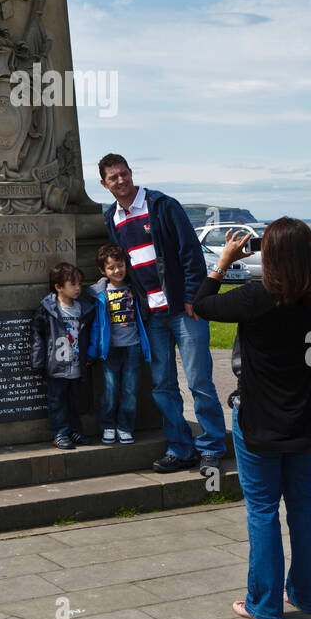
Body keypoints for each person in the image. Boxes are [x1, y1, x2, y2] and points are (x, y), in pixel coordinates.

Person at [193, 218, 311, 619]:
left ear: (269, 255)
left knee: (262, 510)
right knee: (304, 504)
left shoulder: (255, 298)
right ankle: (306, 596)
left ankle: (266, 604)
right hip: (307, 414)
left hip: (259, 415)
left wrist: (222, 262)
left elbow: (200, 305)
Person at [98, 154, 227, 475]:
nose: (121, 181)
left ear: (131, 173)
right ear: (104, 184)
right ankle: (180, 447)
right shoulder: (111, 218)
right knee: (162, 385)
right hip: (150, 316)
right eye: (113, 178)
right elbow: (122, 266)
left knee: (199, 381)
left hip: (183, 310)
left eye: (124, 174)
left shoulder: (162, 205)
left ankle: (211, 447)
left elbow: (189, 253)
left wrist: (193, 298)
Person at [88, 243, 151, 444]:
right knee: (110, 389)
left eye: (120, 265)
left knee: (130, 390)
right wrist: (93, 351)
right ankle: (108, 425)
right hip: (110, 349)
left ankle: (125, 426)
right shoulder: (100, 293)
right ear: (103, 271)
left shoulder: (134, 288)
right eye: (111, 267)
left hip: (132, 347)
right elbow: (97, 325)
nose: (117, 271)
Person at [31, 262, 96, 450]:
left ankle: (75, 431)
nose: (78, 289)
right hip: (56, 366)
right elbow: (37, 335)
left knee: (75, 402)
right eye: (73, 284)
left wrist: (91, 354)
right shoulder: (48, 309)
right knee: (57, 402)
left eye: (79, 284)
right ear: (59, 287)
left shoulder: (83, 308)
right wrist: (38, 361)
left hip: (77, 366)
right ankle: (59, 433)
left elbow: (92, 332)